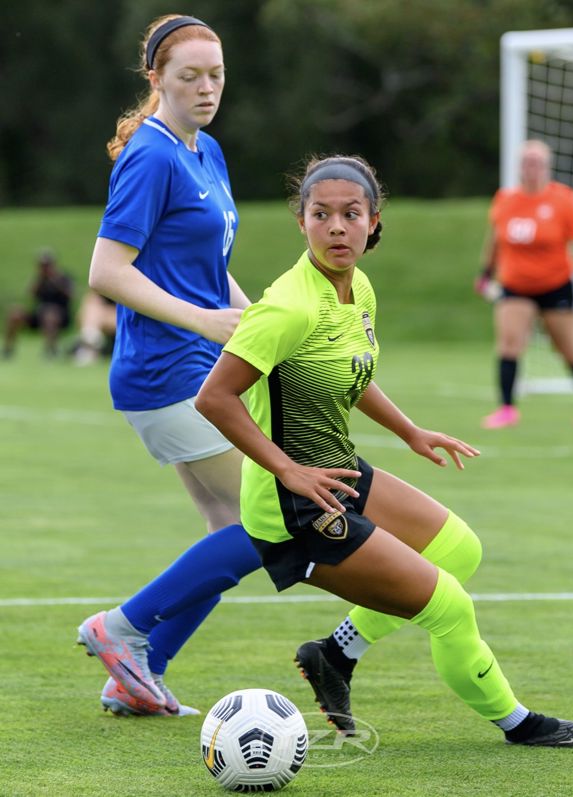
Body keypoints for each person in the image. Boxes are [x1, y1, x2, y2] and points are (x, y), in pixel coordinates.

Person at [194, 154, 573, 747]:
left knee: (459, 550)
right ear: (301, 223)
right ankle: (519, 724)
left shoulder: (356, 287)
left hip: (335, 470)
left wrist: (411, 430)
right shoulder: (287, 305)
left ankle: (334, 656)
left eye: (350, 214)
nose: (337, 227)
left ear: (373, 221)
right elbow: (216, 398)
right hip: (294, 504)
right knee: (450, 607)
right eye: (321, 214)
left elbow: (349, 369)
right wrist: (287, 470)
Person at [76, 13, 263, 717]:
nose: (207, 87)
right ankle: (120, 629)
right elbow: (106, 270)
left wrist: (261, 327)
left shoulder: (204, 149)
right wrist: (207, 323)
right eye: (190, 76)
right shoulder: (151, 155)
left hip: (198, 363)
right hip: (166, 371)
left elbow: (209, 273)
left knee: (229, 536)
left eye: (216, 74)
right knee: (269, 521)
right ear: (155, 80)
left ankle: (134, 675)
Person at [475, 139, 573, 429]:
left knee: (568, 349)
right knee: (509, 344)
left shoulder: (564, 199)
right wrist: (486, 272)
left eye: (537, 163)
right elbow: (496, 239)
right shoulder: (506, 200)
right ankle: (507, 408)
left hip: (556, 284)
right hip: (515, 285)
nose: (531, 168)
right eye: (526, 162)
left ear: (547, 167)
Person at [2, 248, 74, 357]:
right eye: (42, 265)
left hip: (61, 316)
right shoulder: (39, 279)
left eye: (47, 265)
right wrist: (40, 280)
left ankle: (51, 351)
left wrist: (55, 281)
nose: (45, 268)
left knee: (50, 314)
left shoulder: (64, 278)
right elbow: (30, 294)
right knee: (15, 313)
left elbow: (71, 295)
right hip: (40, 315)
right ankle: (8, 349)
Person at [70, 289, 117, 365]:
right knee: (92, 308)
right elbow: (80, 317)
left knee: (94, 312)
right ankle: (89, 345)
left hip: (126, 318)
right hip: (101, 320)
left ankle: (88, 347)